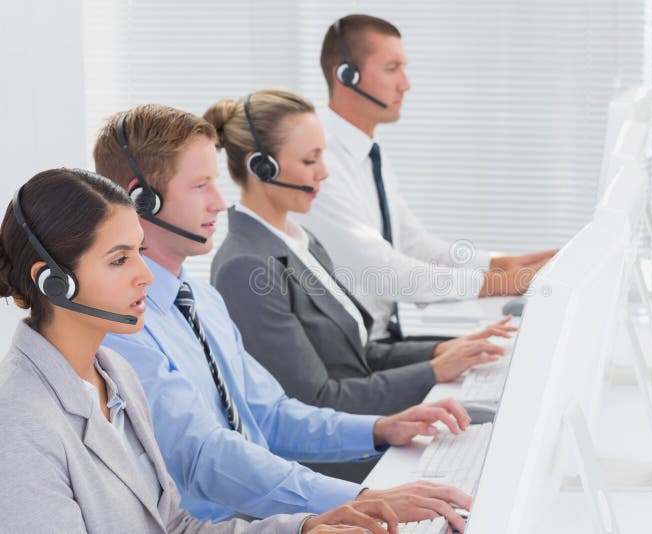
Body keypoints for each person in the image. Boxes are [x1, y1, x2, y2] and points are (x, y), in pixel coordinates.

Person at [95, 103, 473, 531]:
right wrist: (359, 498)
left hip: (272, 514)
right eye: (201, 186)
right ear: (140, 199)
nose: (220, 204)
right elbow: (205, 457)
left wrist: (380, 429)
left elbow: (270, 414)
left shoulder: (201, 300)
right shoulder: (122, 329)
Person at [0, 168, 400, 533]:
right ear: (54, 283)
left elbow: (174, 526)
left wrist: (302, 529)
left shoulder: (115, 374)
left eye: (139, 251)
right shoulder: (19, 424)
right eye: (120, 259)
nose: (144, 274)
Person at [205, 89, 515, 419]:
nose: (324, 172)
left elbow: (356, 354)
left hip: (363, 422)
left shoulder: (301, 241)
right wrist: (434, 372)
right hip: (332, 448)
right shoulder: (246, 267)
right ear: (262, 167)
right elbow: (315, 401)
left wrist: (443, 351)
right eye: (310, 160)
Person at [294, 14, 559, 340]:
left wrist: (506, 264)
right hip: (350, 353)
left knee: (497, 353)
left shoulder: (369, 154)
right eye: (392, 69)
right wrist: (502, 282)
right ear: (346, 76)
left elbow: (414, 245)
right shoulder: (318, 161)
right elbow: (381, 271)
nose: (406, 84)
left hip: (378, 342)